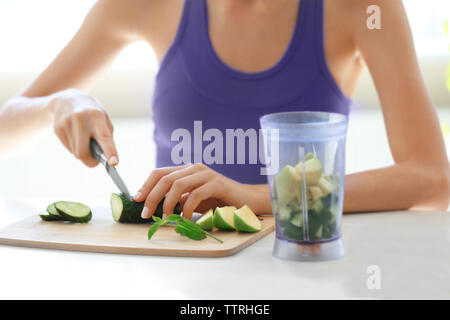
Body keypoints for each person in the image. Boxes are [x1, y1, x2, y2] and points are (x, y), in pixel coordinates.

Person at [0, 0, 448, 219]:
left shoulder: (362, 8)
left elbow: (433, 180)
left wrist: (256, 197)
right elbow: (6, 130)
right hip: (181, 278)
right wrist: (61, 102)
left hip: (303, 270)